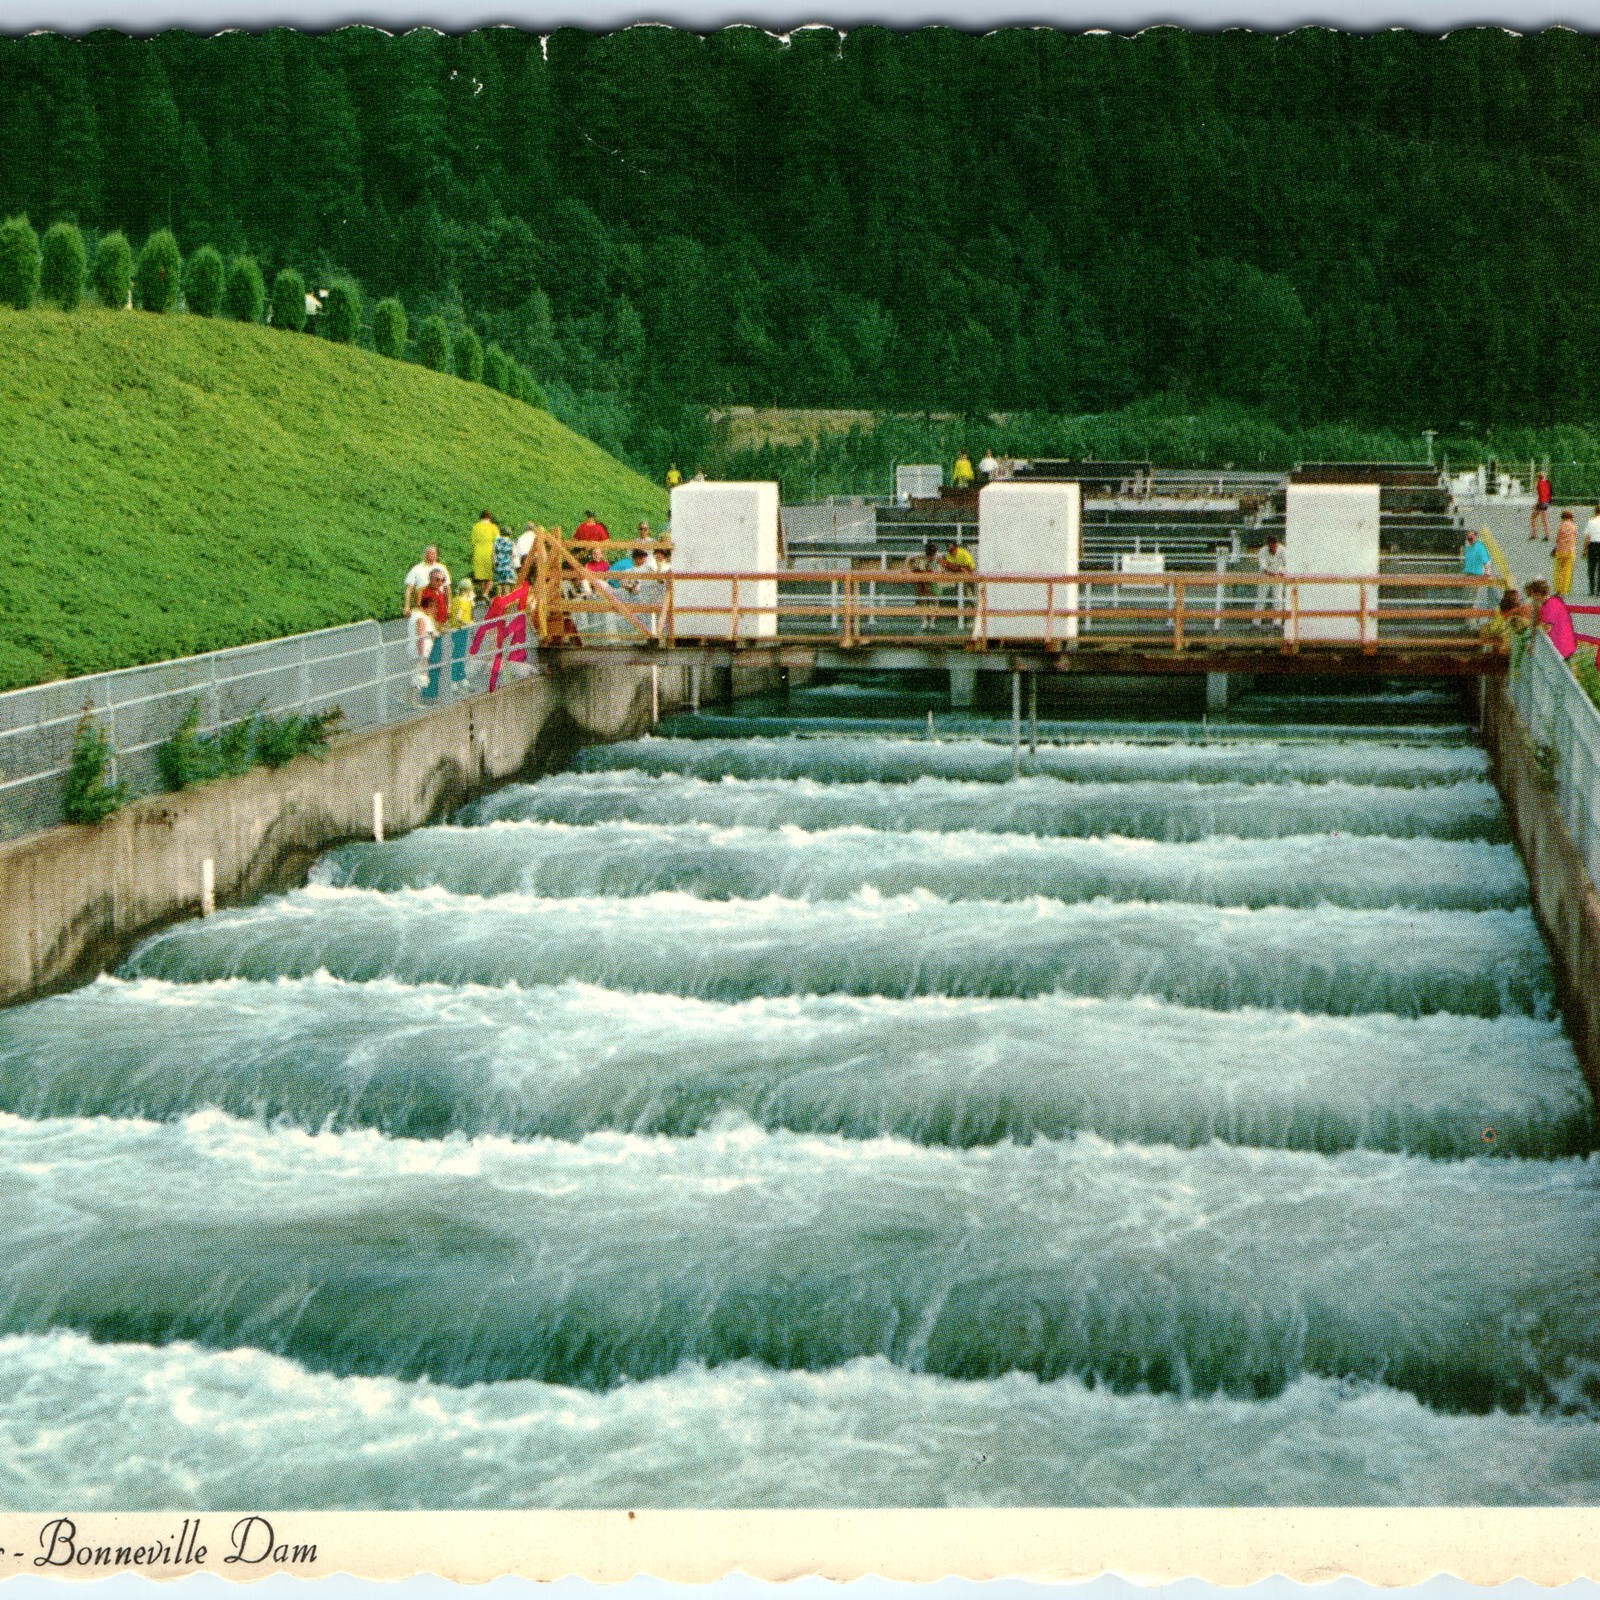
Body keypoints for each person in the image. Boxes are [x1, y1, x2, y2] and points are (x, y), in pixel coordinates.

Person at [414, 566, 450, 698]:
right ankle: (428, 693)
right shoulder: (428, 593)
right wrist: (437, 628)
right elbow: (428, 613)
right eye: (437, 579)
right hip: (433, 632)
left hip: (439, 630)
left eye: (442, 580)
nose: (440, 582)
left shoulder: (439, 592)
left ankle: (433, 692)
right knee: (433, 662)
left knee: (437, 662)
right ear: (430, 579)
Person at [403, 545, 449, 614]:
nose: (432, 555)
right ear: (425, 554)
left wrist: (449, 606)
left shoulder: (442, 568)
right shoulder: (416, 569)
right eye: (429, 553)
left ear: (437, 555)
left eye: (434, 553)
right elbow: (409, 589)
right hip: (422, 606)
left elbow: (447, 588)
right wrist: (407, 606)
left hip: (439, 604)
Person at [1256, 531, 1287, 627]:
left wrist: (1282, 571)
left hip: (1278, 576)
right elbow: (1263, 566)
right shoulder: (1262, 551)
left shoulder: (1282, 550)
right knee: (1261, 598)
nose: (1273, 548)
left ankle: (1277, 623)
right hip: (1265, 576)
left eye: (1274, 545)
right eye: (1271, 545)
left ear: (1277, 544)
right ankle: (1256, 623)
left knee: (1278, 599)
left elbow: (1287, 563)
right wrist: (1270, 572)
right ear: (1268, 544)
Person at [1461, 527, 1494, 614]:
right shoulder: (1468, 547)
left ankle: (1470, 613)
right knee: (1468, 595)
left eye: (1471, 536)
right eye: (1468, 537)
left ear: (1476, 536)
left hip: (1476, 574)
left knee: (1472, 596)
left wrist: (1487, 573)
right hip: (1468, 574)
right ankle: (1468, 611)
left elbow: (1487, 561)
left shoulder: (1480, 547)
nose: (1469, 538)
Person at [470, 510, 499, 594]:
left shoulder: (475, 527)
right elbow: (497, 541)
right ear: (490, 518)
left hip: (478, 552)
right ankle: (486, 593)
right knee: (489, 577)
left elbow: (473, 542)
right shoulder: (493, 527)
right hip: (490, 552)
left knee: (481, 576)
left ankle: (483, 592)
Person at [1553, 510, 1578, 597]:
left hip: (1560, 550)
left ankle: (1558, 589)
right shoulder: (1574, 526)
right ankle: (1565, 590)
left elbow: (1557, 538)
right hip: (1570, 551)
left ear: (1562, 517)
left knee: (1559, 570)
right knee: (1567, 571)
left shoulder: (1561, 526)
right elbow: (1575, 537)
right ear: (1571, 517)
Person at [491, 523, 517, 596]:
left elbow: (492, 554)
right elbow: (514, 555)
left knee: (499, 585)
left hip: (498, 566)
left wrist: (494, 564)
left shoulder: (496, 542)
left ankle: (498, 602)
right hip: (507, 567)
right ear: (509, 534)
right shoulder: (511, 543)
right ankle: (506, 603)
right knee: (507, 585)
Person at [1532, 471, 1553, 540]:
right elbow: (1549, 493)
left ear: (1538, 478)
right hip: (1546, 502)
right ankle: (1546, 535)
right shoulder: (1547, 483)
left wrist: (1537, 503)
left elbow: (1541, 495)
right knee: (1541, 518)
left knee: (1536, 518)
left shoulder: (1539, 484)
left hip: (1542, 502)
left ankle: (1536, 534)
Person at [1585, 507, 1600, 598]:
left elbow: (1588, 537)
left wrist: (1585, 549)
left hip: (1593, 546)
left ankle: (1591, 589)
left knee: (1591, 568)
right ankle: (1598, 590)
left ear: (1595, 512)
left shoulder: (1591, 521)